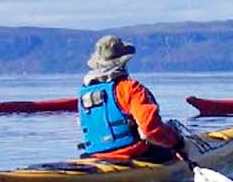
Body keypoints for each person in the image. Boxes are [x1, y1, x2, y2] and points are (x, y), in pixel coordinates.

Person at [77, 35, 185, 163]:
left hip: (95, 154)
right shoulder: (130, 88)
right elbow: (150, 130)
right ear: (123, 62)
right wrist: (177, 143)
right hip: (133, 152)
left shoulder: (84, 92)